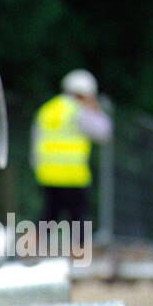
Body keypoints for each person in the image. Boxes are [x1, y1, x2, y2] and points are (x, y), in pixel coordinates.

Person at [30, 69, 112, 232]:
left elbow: (35, 141)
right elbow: (103, 132)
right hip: (73, 174)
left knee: (48, 216)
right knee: (79, 219)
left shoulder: (47, 109)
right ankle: (79, 254)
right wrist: (95, 109)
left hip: (47, 174)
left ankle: (31, 250)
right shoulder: (79, 110)